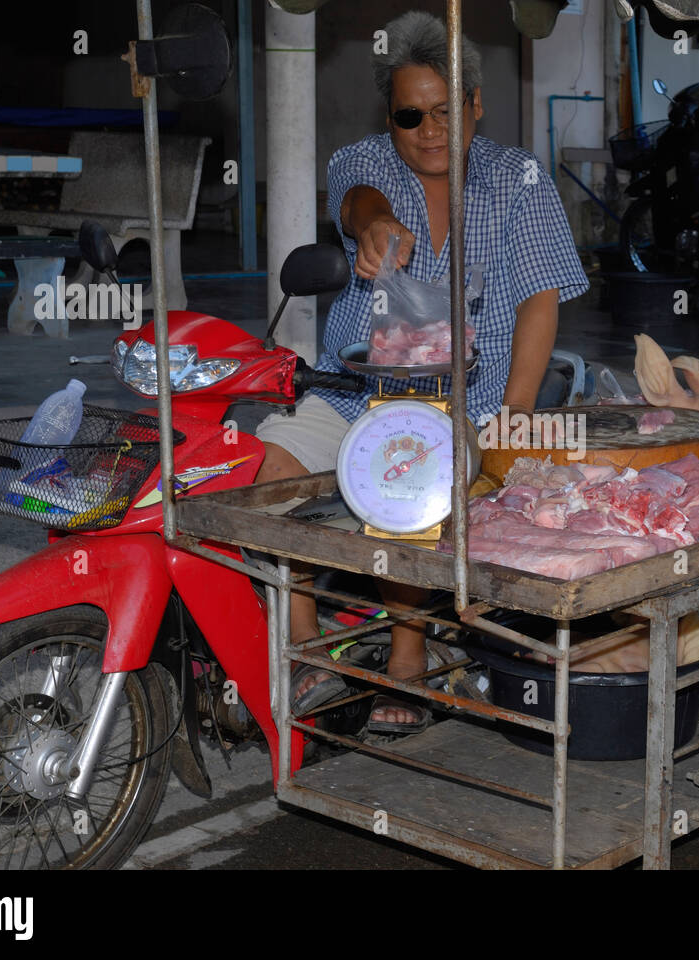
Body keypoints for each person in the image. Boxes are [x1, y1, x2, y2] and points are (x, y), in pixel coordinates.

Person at [253, 10, 588, 734]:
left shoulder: (518, 179)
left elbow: (538, 301)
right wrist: (375, 227)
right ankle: (307, 639)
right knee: (270, 464)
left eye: (446, 110)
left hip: (467, 398)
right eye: (412, 115)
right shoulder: (365, 162)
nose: (430, 129)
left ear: (475, 105)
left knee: (408, 486)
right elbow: (356, 201)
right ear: (390, 115)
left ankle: (408, 654)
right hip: (356, 391)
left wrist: (516, 413)